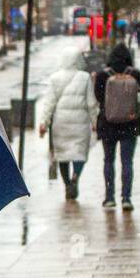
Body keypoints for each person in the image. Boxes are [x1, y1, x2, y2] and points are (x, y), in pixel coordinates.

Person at [94, 42, 140, 211]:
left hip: (108, 124)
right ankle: (126, 198)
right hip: (130, 125)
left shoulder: (103, 75)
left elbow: (98, 97)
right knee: (127, 161)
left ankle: (109, 197)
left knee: (108, 160)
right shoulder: (135, 74)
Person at [39, 49, 95, 201]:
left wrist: (44, 123)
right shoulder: (85, 78)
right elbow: (91, 103)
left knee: (62, 156)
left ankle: (67, 184)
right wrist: (95, 122)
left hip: (60, 123)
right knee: (79, 153)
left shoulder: (55, 78)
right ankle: (75, 176)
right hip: (80, 123)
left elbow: (49, 103)